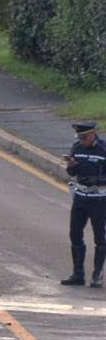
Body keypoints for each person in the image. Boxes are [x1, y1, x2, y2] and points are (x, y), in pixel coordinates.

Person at [62, 121, 106, 288]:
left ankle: (97, 275)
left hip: (99, 198)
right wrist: (72, 166)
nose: (82, 140)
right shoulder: (77, 148)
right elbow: (71, 172)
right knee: (75, 232)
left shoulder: (103, 150)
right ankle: (78, 273)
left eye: (84, 137)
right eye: (79, 137)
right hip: (80, 196)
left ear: (93, 134)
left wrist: (97, 180)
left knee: (100, 237)